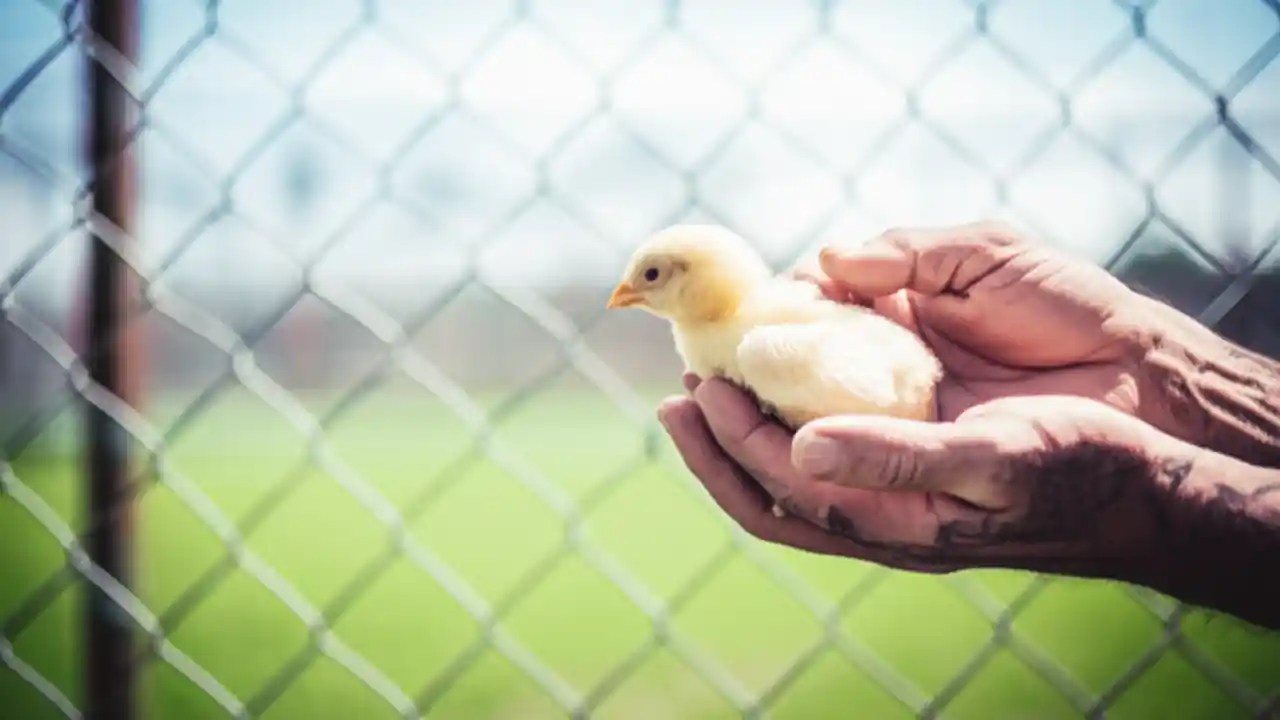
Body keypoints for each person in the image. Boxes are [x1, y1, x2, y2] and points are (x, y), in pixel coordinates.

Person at [656, 222, 1280, 630]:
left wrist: (1154, 496)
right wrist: (1154, 365)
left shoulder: (765, 346)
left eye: (652, 277)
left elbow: (877, 382)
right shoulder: (749, 335)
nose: (630, 292)